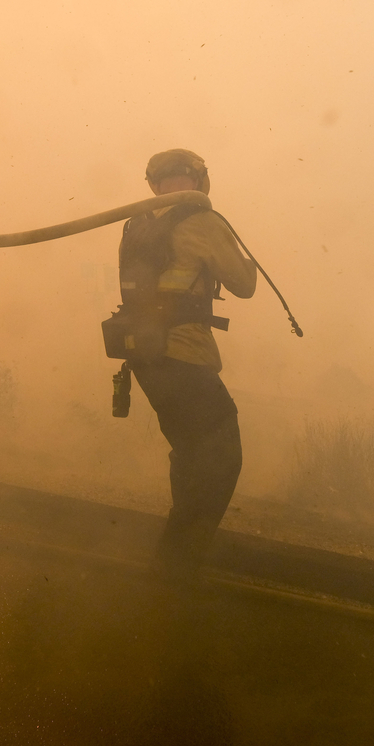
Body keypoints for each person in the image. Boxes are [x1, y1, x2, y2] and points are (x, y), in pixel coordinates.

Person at [120, 148, 257, 583]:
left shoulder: (136, 224)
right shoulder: (202, 221)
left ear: (154, 185)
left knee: (191, 456)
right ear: (199, 181)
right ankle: (174, 571)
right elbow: (244, 284)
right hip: (185, 356)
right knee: (221, 460)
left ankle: (173, 565)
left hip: (145, 360)